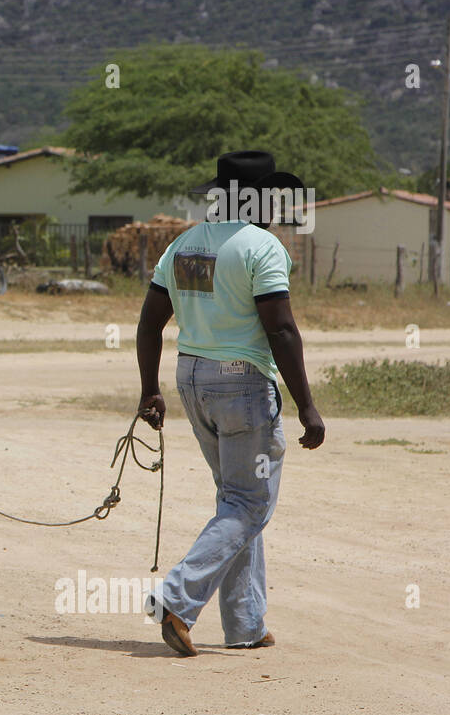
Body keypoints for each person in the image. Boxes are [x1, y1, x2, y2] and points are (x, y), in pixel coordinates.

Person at [135, 150, 325, 657]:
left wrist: (149, 389)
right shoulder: (261, 247)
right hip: (242, 387)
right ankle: (176, 600)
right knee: (248, 502)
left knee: (236, 500)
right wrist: (307, 405)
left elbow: (151, 321)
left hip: (192, 379)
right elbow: (280, 328)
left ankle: (245, 623)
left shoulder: (185, 244)